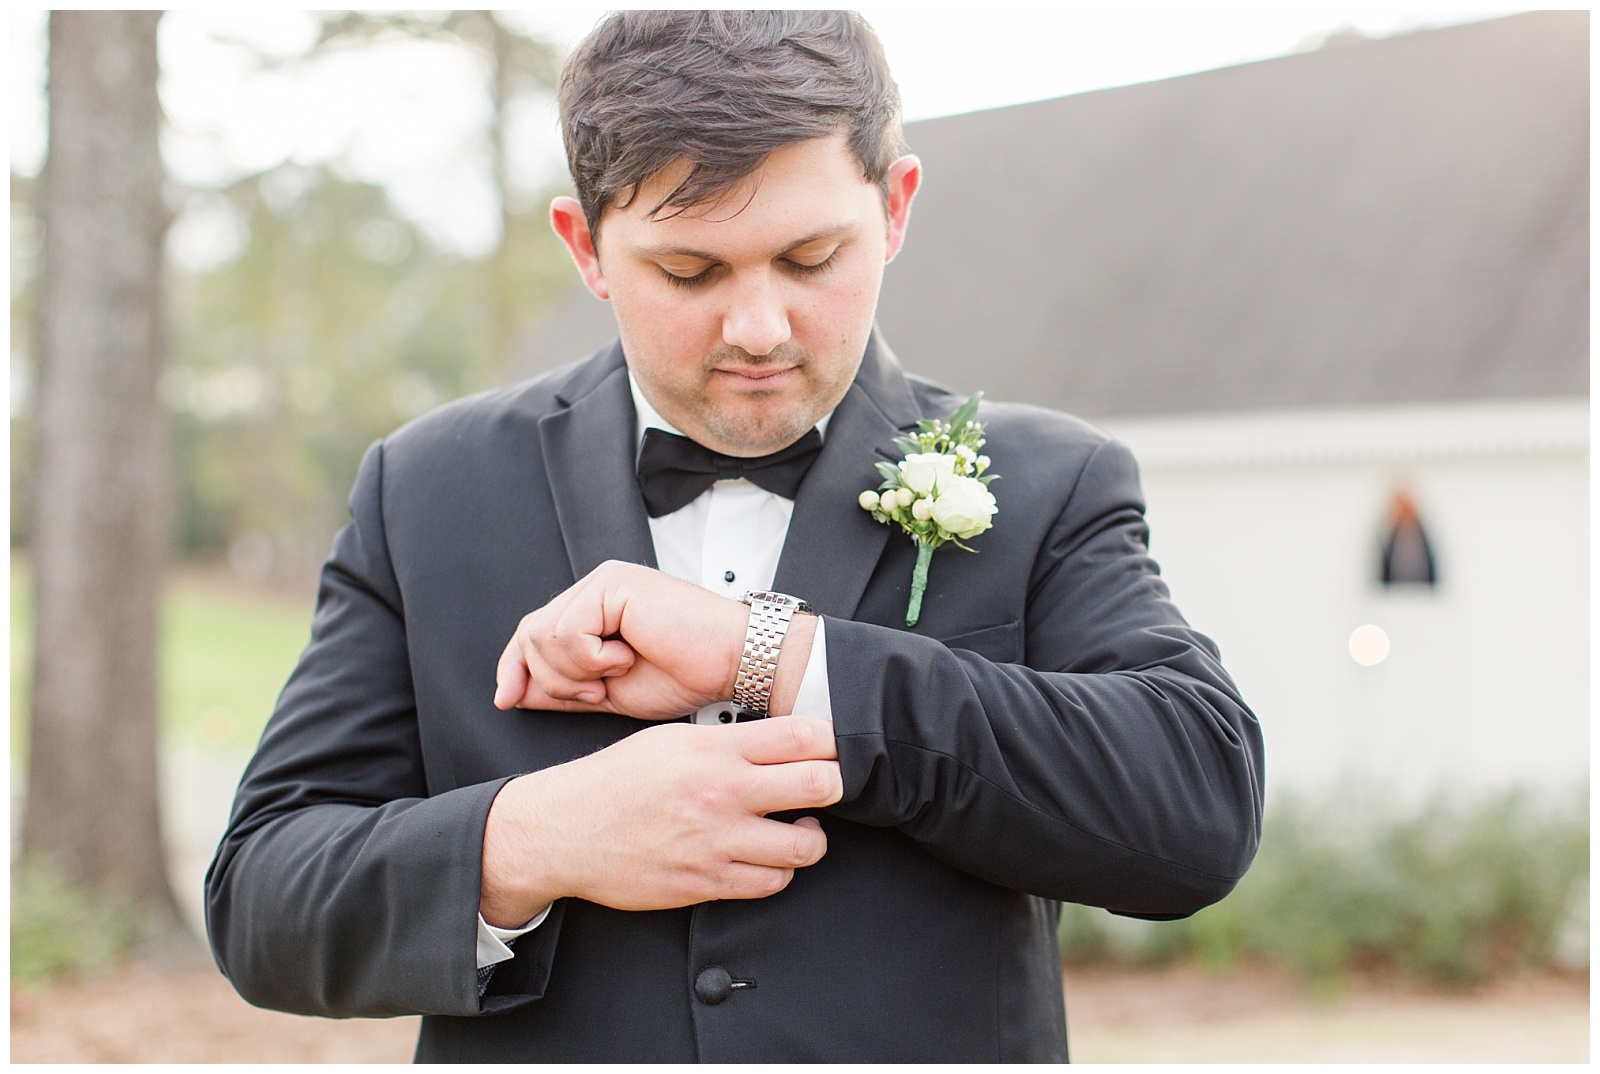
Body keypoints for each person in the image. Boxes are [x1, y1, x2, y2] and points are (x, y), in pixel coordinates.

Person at [205, 10, 1264, 1063]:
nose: (758, 330)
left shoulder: (1052, 481)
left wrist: (769, 655)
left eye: (810, 258)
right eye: (690, 272)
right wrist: (532, 841)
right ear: (586, 248)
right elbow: (263, 898)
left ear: (894, 208)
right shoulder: (427, 489)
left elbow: (1194, 810)